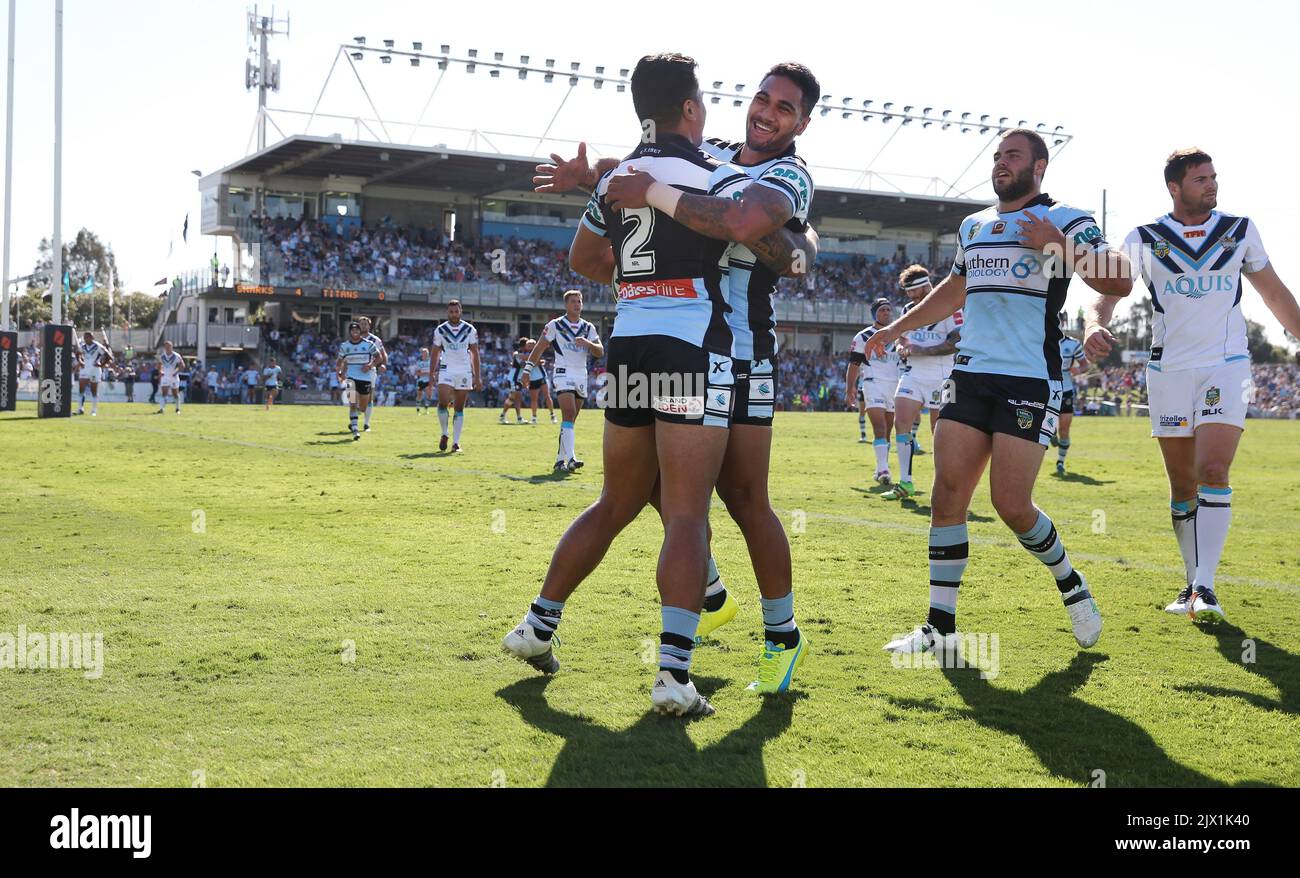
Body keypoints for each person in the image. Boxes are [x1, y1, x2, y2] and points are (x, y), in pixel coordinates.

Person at [506, 55, 817, 710]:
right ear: (696, 108)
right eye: (761, 98)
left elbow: (789, 252)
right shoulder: (719, 166)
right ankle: (681, 653)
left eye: (783, 107)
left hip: (734, 354)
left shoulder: (786, 173)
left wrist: (613, 190)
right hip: (698, 348)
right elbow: (738, 221)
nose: (765, 111)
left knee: (730, 497)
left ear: (802, 123)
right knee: (680, 506)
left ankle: (777, 633)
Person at [866, 128, 1132, 655]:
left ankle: (1072, 585)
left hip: (1030, 378)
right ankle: (940, 628)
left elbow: (1120, 281)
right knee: (947, 496)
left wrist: (1055, 247)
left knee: (1011, 505)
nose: (1001, 162)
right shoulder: (975, 225)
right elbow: (955, 289)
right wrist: (896, 329)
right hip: (970, 375)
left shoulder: (1063, 217)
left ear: (1040, 166)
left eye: (1013, 155)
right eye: (998, 155)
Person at [1087, 147, 1300, 621]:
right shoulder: (1144, 238)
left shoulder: (1239, 231)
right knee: (1183, 486)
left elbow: (1275, 294)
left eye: (1213, 177)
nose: (1212, 184)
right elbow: (1107, 297)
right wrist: (1092, 325)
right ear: (1174, 187)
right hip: (1169, 371)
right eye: (1201, 178)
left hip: (1227, 365)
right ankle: (1191, 585)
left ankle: (1206, 586)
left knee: (1213, 471)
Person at [881, 266, 963, 501]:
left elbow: (955, 343)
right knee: (901, 422)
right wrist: (901, 347)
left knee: (941, 433)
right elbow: (902, 336)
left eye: (917, 296)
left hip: (944, 376)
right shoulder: (908, 309)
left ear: (928, 286)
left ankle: (945, 486)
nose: (914, 302)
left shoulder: (951, 307)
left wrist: (922, 350)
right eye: (911, 298)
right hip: (913, 374)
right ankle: (905, 483)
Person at [528, 290, 604, 472]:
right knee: (568, 413)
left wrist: (589, 344)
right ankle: (571, 458)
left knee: (570, 420)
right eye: (573, 301)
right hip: (562, 372)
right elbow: (539, 347)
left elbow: (600, 351)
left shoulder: (588, 328)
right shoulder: (555, 325)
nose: (577, 304)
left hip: (581, 374)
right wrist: (527, 369)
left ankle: (559, 459)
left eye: (579, 301)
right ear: (566, 305)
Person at [847, 299, 898, 484]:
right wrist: (849, 388)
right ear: (874, 314)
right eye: (882, 310)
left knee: (889, 429)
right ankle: (885, 470)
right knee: (879, 427)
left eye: (888, 310)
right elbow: (854, 365)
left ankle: (880, 467)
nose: (886, 313)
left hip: (894, 386)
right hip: (872, 384)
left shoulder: (898, 335)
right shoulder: (863, 337)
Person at [429, 300, 482, 453]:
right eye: (451, 312)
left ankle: (456, 443)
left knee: (459, 408)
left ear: (460, 311)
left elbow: (474, 353)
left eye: (456, 311)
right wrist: (432, 373)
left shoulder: (469, 330)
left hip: (464, 371)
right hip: (446, 369)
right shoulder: (440, 330)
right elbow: (435, 352)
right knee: (443, 402)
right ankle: (445, 433)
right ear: (448, 312)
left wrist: (477, 376)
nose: (453, 314)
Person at [1051, 325, 1087, 475]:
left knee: (1064, 428)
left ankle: (1060, 462)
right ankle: (1051, 433)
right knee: (1048, 425)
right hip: (1047, 387)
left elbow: (1085, 365)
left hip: (1066, 388)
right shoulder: (1041, 339)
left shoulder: (1073, 344)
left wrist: (1078, 370)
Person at [335, 321, 381, 440]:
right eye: (352, 330)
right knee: (353, 404)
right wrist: (339, 373)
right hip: (351, 378)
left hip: (365, 378)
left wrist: (370, 366)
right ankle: (355, 430)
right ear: (350, 332)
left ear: (360, 332)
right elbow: (340, 361)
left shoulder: (369, 344)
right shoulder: (345, 346)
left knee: (363, 408)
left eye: (357, 330)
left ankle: (355, 421)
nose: (355, 332)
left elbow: (379, 357)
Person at [356, 317, 388, 432]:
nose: (363, 326)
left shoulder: (375, 340)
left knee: (369, 397)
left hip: (370, 371)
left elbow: (383, 354)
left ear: (369, 326)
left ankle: (366, 424)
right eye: (361, 324)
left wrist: (383, 365)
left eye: (365, 324)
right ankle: (355, 417)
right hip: (355, 371)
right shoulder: (354, 339)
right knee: (354, 395)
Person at [75, 331, 113, 417]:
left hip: (95, 370)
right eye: (84, 338)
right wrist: (80, 361)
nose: (85, 339)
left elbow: (109, 356)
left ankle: (94, 410)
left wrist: (101, 365)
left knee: (94, 390)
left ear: (92, 338)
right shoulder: (83, 346)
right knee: (81, 388)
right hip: (84, 369)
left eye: (87, 338)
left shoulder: (98, 346)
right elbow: (77, 354)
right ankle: (80, 408)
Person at [157, 342, 185, 414]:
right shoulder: (162, 356)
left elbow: (182, 365)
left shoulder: (176, 356)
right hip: (165, 376)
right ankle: (162, 409)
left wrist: (176, 371)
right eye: (166, 346)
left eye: (169, 346)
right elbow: (159, 364)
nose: (167, 348)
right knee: (164, 392)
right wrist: (160, 371)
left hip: (174, 377)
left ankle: (177, 409)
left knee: (175, 393)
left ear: (172, 347)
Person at [414, 346, 434, 414]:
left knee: (429, 394)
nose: (425, 354)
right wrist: (425, 373)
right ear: (422, 354)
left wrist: (429, 374)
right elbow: (417, 373)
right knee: (419, 394)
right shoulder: (419, 362)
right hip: (421, 380)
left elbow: (433, 371)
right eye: (423, 353)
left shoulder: (431, 361)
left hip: (429, 380)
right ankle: (418, 409)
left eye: (426, 353)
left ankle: (426, 408)